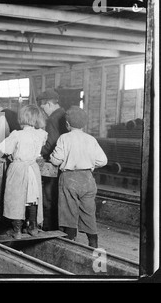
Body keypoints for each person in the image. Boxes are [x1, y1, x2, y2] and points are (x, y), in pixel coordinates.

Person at [50, 106, 107, 248]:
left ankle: (70, 242)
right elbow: (103, 161)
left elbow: (56, 160)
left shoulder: (64, 138)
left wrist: (52, 158)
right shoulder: (91, 139)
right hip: (88, 178)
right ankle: (93, 243)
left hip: (69, 179)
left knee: (69, 212)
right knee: (88, 212)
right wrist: (90, 165)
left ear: (67, 124)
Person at [0, 104, 48, 238]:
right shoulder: (40, 134)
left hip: (19, 169)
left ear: (22, 118)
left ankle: (17, 231)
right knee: (32, 198)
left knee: (16, 198)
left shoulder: (17, 134)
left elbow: (4, 149)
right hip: (33, 169)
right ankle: (33, 228)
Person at [36, 89, 68, 231]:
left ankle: (49, 228)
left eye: (43, 107)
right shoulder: (64, 115)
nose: (43, 111)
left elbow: (51, 144)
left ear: (48, 104)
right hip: (65, 164)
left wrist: (38, 151)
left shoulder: (53, 119)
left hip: (53, 165)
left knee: (49, 196)